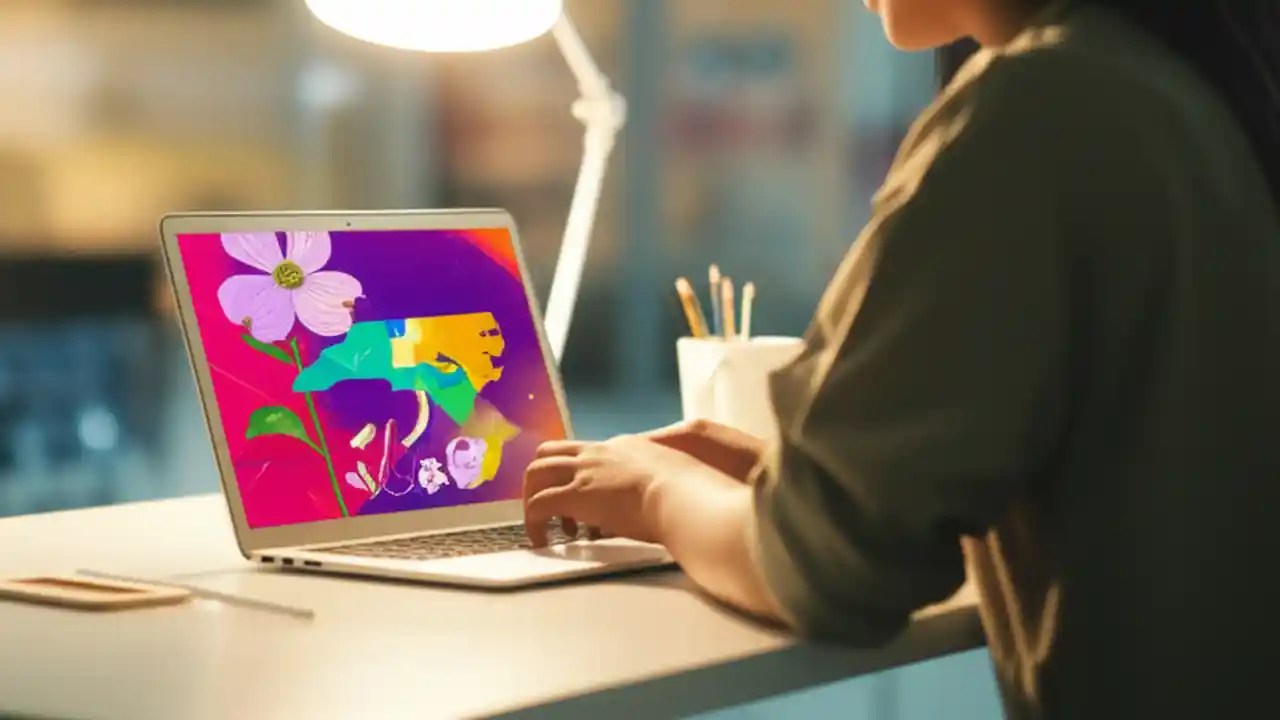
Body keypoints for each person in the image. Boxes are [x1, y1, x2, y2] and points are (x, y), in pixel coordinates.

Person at [523, 1, 1280, 718]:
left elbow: (827, 572)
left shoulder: (1037, 115)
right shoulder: (1175, 91)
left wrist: (656, 494)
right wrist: (804, 485)